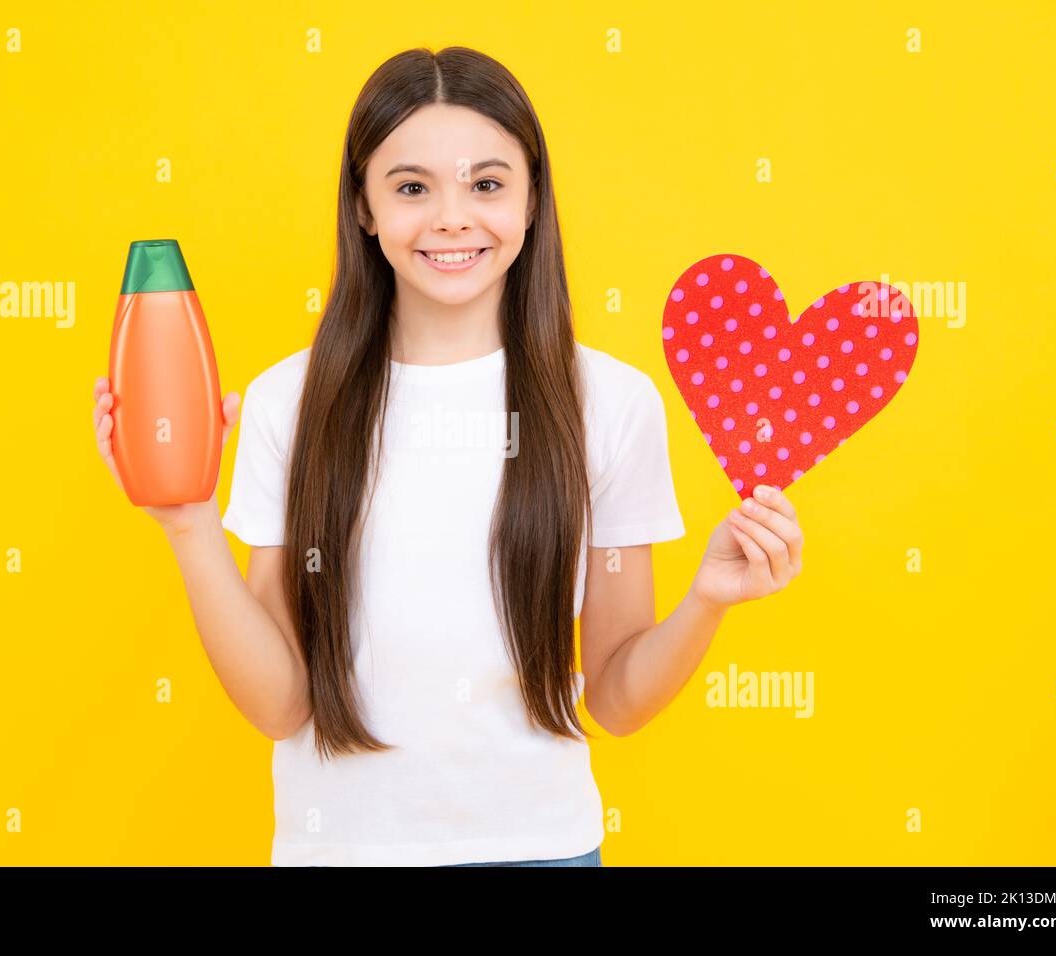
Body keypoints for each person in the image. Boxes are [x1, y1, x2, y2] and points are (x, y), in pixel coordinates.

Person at [91, 46, 804, 867]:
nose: (452, 218)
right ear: (364, 206)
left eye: (488, 184)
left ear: (533, 200)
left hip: (544, 850)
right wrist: (187, 524)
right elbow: (282, 703)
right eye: (411, 187)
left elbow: (614, 698)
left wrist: (707, 600)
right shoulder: (290, 401)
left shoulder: (610, 402)